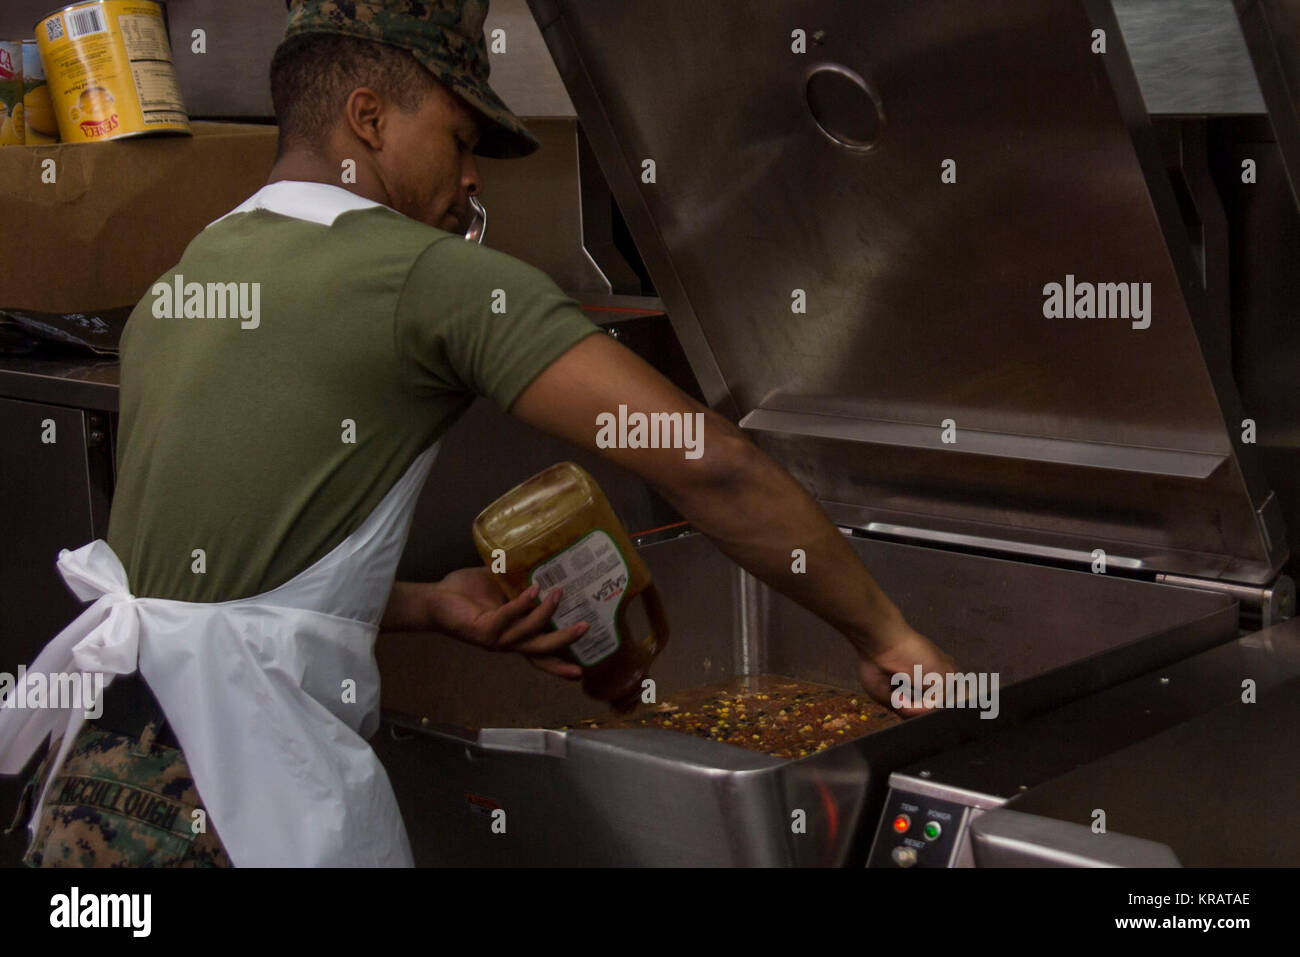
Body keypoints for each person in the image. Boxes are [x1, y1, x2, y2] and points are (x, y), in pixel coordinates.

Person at [0, 0, 954, 867]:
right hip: (233, 802)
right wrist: (889, 635)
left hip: (99, 780)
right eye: (458, 139)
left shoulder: (196, 268)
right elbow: (715, 468)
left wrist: (421, 604)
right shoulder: (423, 275)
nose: (466, 180)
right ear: (368, 119)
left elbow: (211, 581)